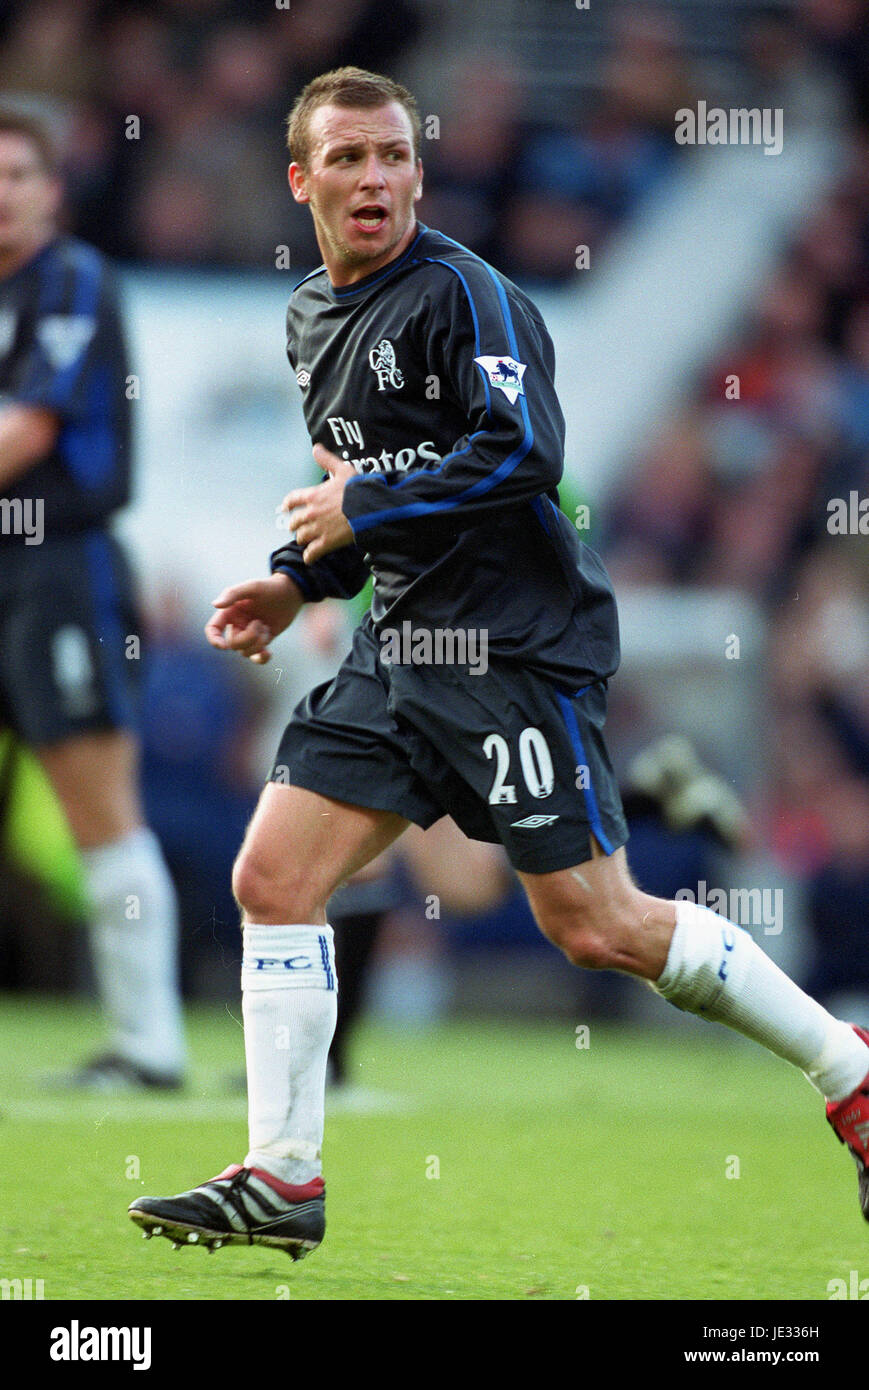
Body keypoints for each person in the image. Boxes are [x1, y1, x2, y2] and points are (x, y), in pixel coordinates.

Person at [129, 67, 869, 1258]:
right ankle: (285, 1173)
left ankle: (848, 1070)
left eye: (392, 156)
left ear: (417, 172)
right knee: (271, 875)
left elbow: (522, 450)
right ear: (299, 179)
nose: (373, 178)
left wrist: (359, 516)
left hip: (513, 650)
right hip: (398, 648)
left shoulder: (468, 296)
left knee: (597, 925)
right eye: (347, 158)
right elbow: (352, 495)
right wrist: (295, 580)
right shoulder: (309, 315)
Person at [0, 109, 185, 1089]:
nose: (1, 192)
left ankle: (148, 1045)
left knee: (98, 808)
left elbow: (26, 433)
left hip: (56, 565)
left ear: (50, 190)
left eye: (17, 173)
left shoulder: (70, 280)